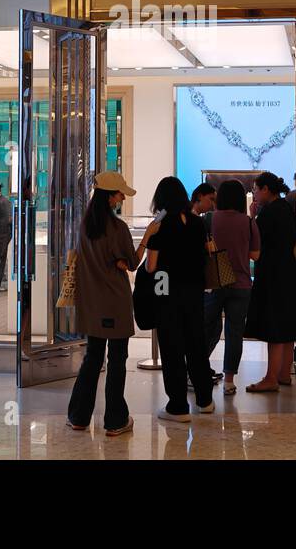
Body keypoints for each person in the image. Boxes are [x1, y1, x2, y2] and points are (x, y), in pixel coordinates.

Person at [66, 171, 139, 436]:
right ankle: (115, 420)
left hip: (92, 303)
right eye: (120, 193)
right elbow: (132, 263)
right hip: (116, 303)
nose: (122, 197)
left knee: (92, 359)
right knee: (117, 361)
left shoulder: (86, 226)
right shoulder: (118, 228)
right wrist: (150, 235)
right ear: (110, 196)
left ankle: (78, 417)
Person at [146, 176, 215, 422]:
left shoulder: (161, 223)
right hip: (194, 291)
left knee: (172, 345)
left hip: (167, 290)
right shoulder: (198, 223)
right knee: (196, 342)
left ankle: (177, 405)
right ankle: (205, 400)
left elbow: (152, 266)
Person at [203, 179, 261, 395]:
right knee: (235, 332)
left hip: (214, 283)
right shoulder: (248, 222)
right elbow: (255, 255)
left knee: (208, 328)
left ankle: (197, 370)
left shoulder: (209, 219)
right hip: (241, 284)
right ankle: (229, 381)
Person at [244, 171, 296, 392]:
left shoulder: (268, 213)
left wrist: (251, 217)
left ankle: (270, 378)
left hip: (272, 273)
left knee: (274, 326)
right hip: (288, 271)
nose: (255, 194)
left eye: (256, 190)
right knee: (286, 323)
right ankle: (284, 373)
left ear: (266, 189)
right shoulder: (286, 208)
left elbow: (254, 240)